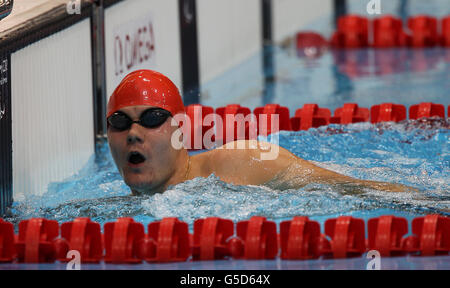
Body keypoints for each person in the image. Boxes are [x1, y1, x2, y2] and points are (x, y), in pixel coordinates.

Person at [107, 69, 416, 196]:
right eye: (120, 122)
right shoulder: (113, 212)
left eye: (152, 118)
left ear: (182, 127)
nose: (134, 133)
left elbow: (357, 189)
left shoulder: (241, 161)